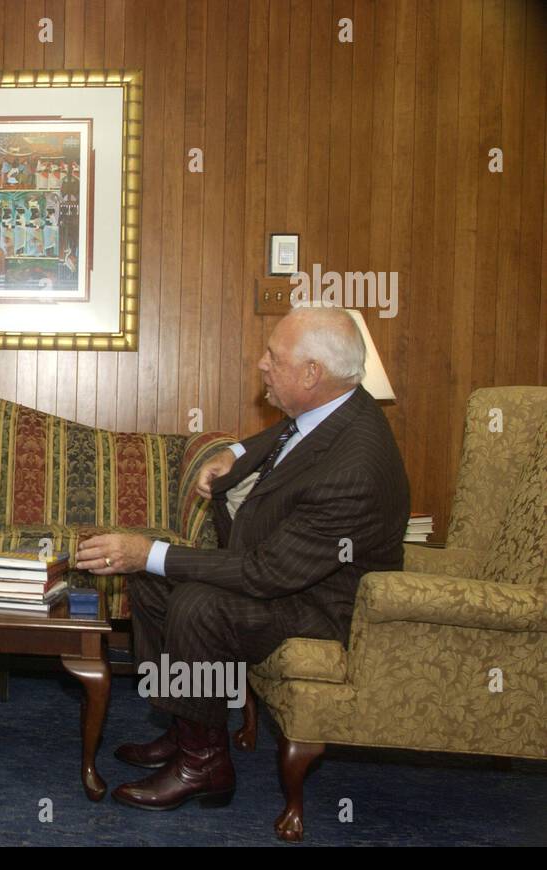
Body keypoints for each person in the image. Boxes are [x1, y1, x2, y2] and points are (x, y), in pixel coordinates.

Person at [75, 307, 410, 810]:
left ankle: (205, 763)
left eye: (273, 357)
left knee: (196, 604)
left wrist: (148, 551)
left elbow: (265, 572)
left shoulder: (356, 468)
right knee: (153, 584)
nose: (260, 365)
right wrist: (232, 450)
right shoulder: (336, 406)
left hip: (325, 602)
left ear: (312, 373)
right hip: (293, 575)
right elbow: (282, 436)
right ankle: (188, 726)